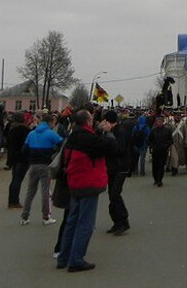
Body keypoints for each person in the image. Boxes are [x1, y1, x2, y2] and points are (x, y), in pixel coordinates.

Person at [57, 109, 118, 272]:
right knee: (86, 224)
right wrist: (108, 132)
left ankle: (63, 257)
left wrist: (98, 131)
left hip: (74, 183)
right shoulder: (87, 138)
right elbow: (110, 148)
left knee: (72, 221)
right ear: (88, 121)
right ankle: (76, 259)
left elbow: (92, 143)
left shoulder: (73, 135)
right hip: (88, 184)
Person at [21, 113, 63, 225]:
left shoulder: (31, 133)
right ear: (50, 122)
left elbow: (24, 149)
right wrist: (54, 152)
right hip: (45, 165)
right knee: (45, 192)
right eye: (54, 123)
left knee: (30, 191)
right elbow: (62, 144)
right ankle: (46, 217)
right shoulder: (51, 134)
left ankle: (24, 217)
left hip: (33, 165)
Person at [104, 110, 132, 235]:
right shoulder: (111, 132)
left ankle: (124, 221)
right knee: (111, 194)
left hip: (121, 167)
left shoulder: (120, 132)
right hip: (112, 167)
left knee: (115, 194)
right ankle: (116, 221)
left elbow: (119, 149)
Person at [6, 112, 30, 209]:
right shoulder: (23, 129)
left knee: (14, 179)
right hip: (22, 157)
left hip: (13, 156)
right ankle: (14, 201)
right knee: (18, 179)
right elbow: (28, 142)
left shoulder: (12, 128)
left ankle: (11, 200)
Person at [148, 115, 173, 187]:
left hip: (163, 151)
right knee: (155, 166)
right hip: (155, 151)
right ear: (156, 123)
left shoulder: (167, 130)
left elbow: (171, 140)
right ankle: (155, 179)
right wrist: (152, 146)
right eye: (158, 122)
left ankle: (160, 180)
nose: (159, 123)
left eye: (160, 122)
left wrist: (166, 145)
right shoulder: (153, 131)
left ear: (163, 122)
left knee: (161, 166)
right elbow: (149, 140)